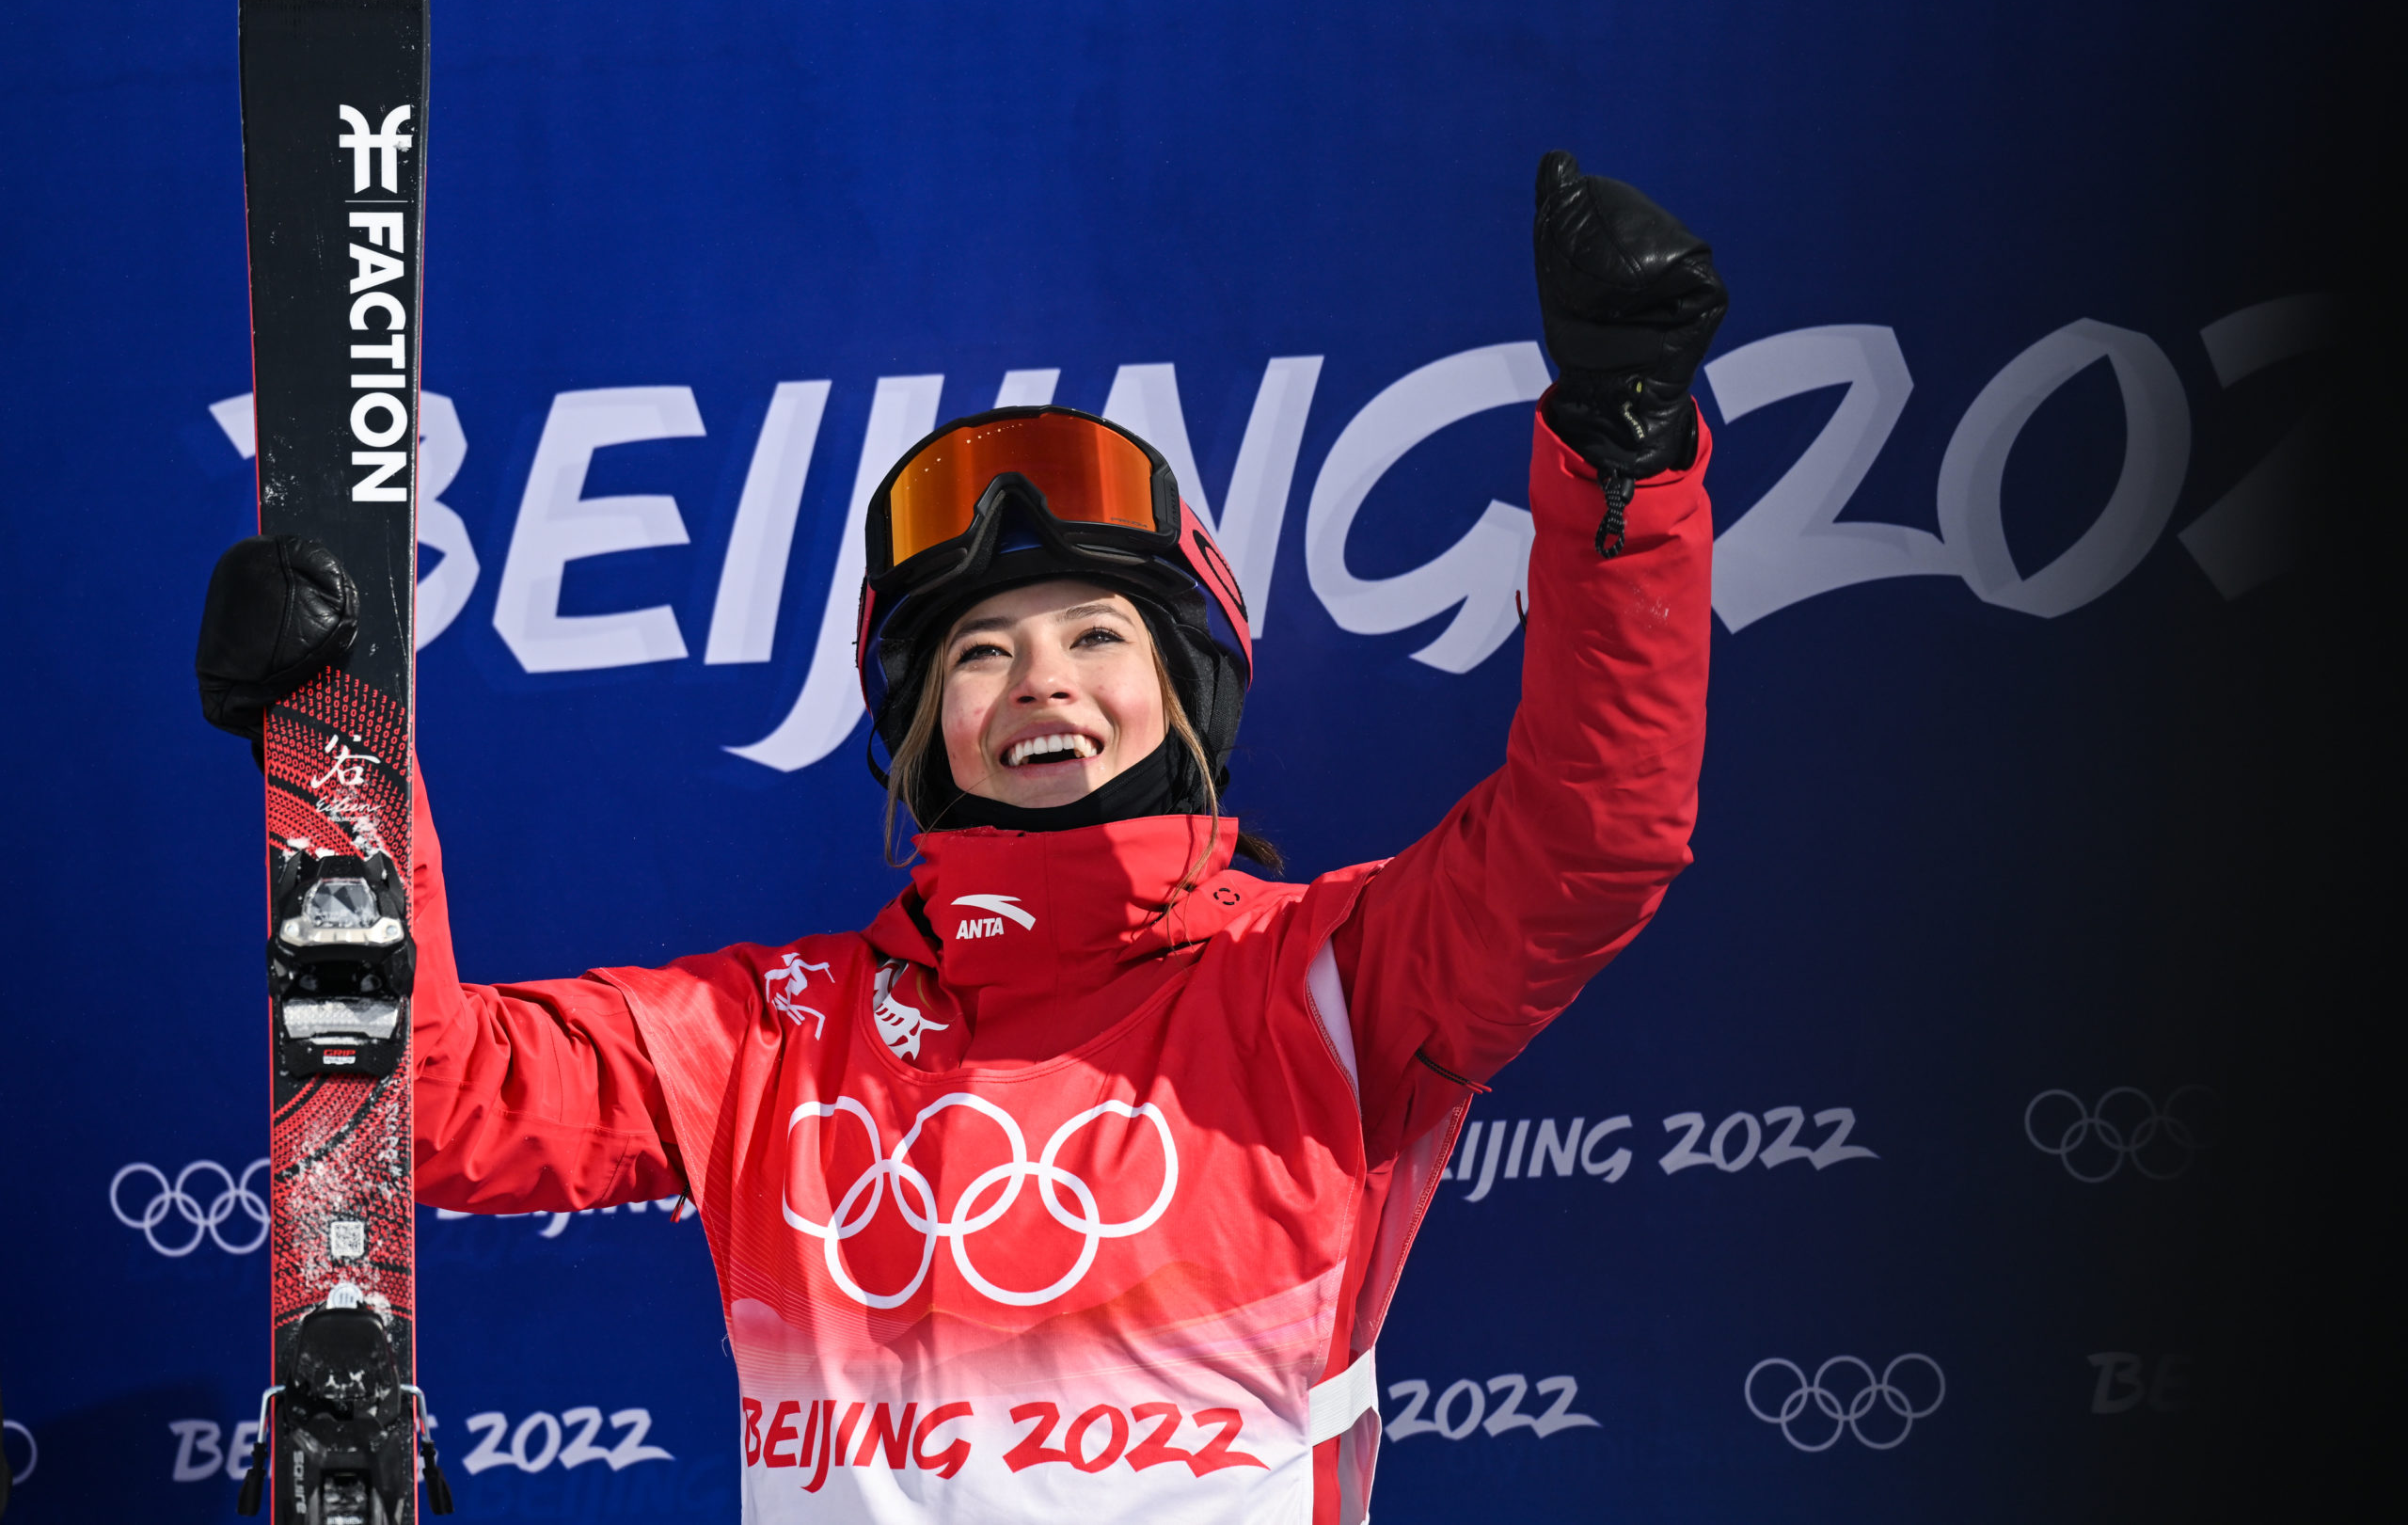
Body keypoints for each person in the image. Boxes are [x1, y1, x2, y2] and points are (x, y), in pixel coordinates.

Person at [197, 151, 1725, 1525]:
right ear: (924, 728)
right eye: (979, 654)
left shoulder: (1334, 978)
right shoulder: (774, 1039)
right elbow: (436, 1104)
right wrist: (337, 754)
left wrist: (1625, 460)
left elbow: (1597, 835)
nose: (1042, 680)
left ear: (1187, 685)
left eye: (1093, 634)